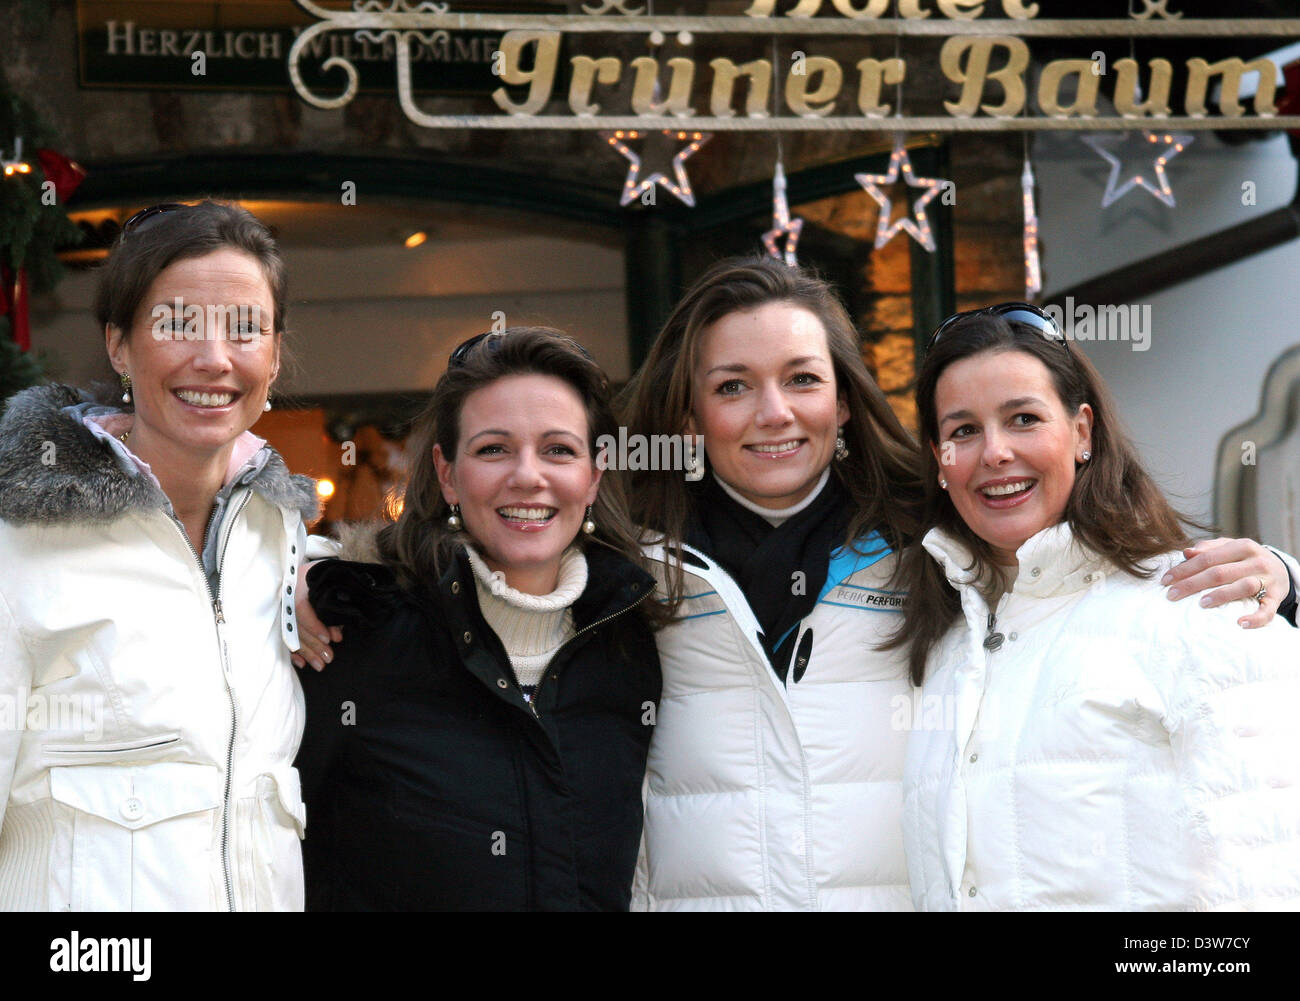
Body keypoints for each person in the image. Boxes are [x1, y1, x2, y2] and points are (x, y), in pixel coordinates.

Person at [615, 257, 1299, 911]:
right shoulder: (623, 583)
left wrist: (1281, 577)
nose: (774, 412)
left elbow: (1261, 833)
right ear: (686, 415)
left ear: (846, 400)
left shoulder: (930, 554)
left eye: (802, 379)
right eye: (732, 385)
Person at [896, 303, 1300, 910]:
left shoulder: (1200, 601)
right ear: (939, 460)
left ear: (1082, 431)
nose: (995, 453)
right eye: (963, 431)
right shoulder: (942, 646)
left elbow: (1270, 876)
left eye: (1023, 418)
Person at [0, 201, 316, 911]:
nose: (215, 357)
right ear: (118, 345)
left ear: (272, 356)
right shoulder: (16, 546)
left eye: (246, 328)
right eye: (177, 323)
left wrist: (323, 575)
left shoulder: (281, 541)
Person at [293, 327, 662, 911]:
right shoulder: (350, 635)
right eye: (493, 449)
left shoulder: (638, 644)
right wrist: (295, 570)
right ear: (446, 474)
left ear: (594, 475)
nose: (527, 476)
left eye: (559, 450)